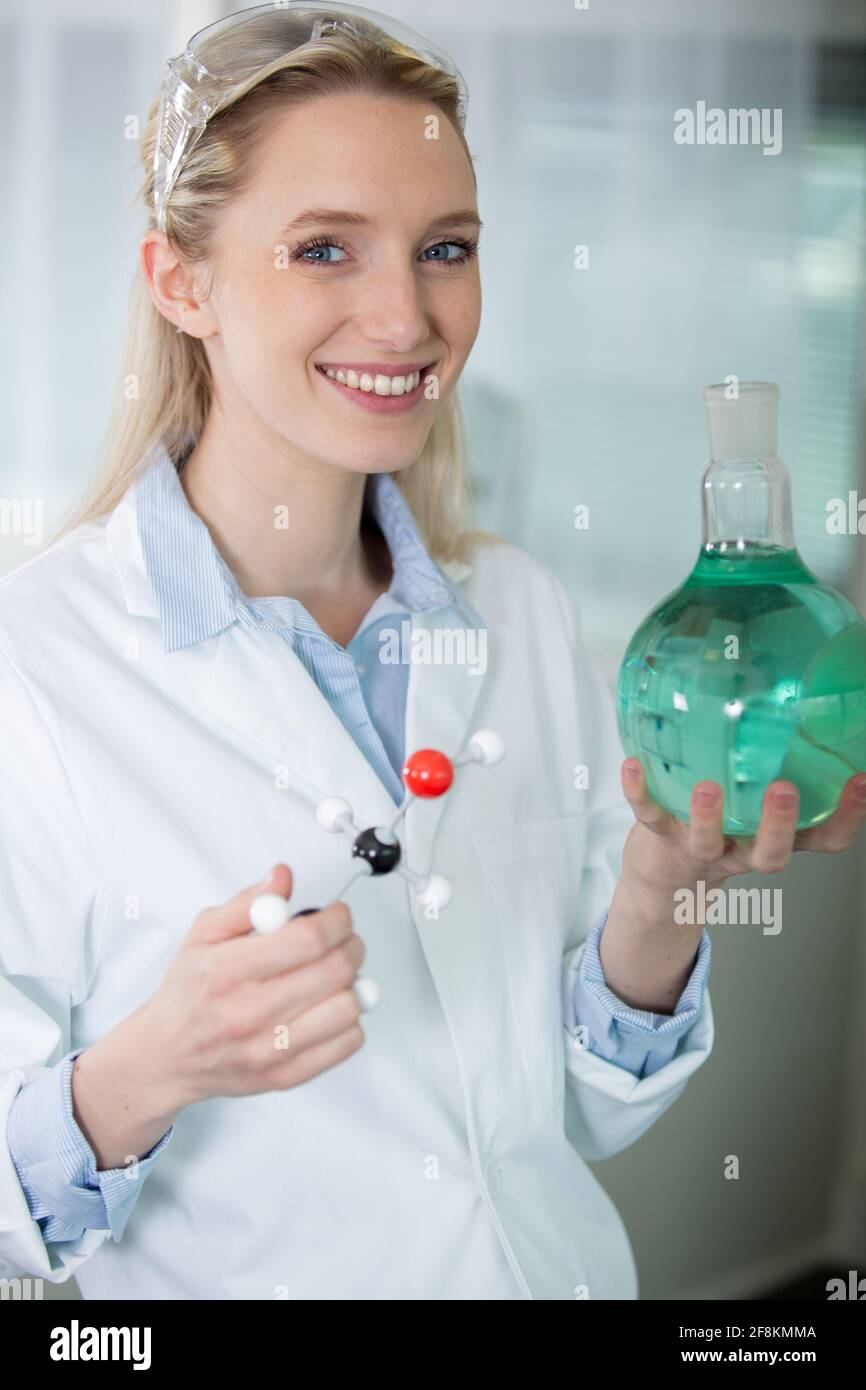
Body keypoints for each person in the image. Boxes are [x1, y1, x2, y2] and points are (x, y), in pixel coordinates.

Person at [1, 2, 864, 1302]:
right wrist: (157, 1061)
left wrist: (658, 890)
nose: (404, 318)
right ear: (182, 281)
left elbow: (579, 1117)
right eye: (324, 249)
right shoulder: (36, 667)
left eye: (443, 248)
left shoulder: (512, 611)